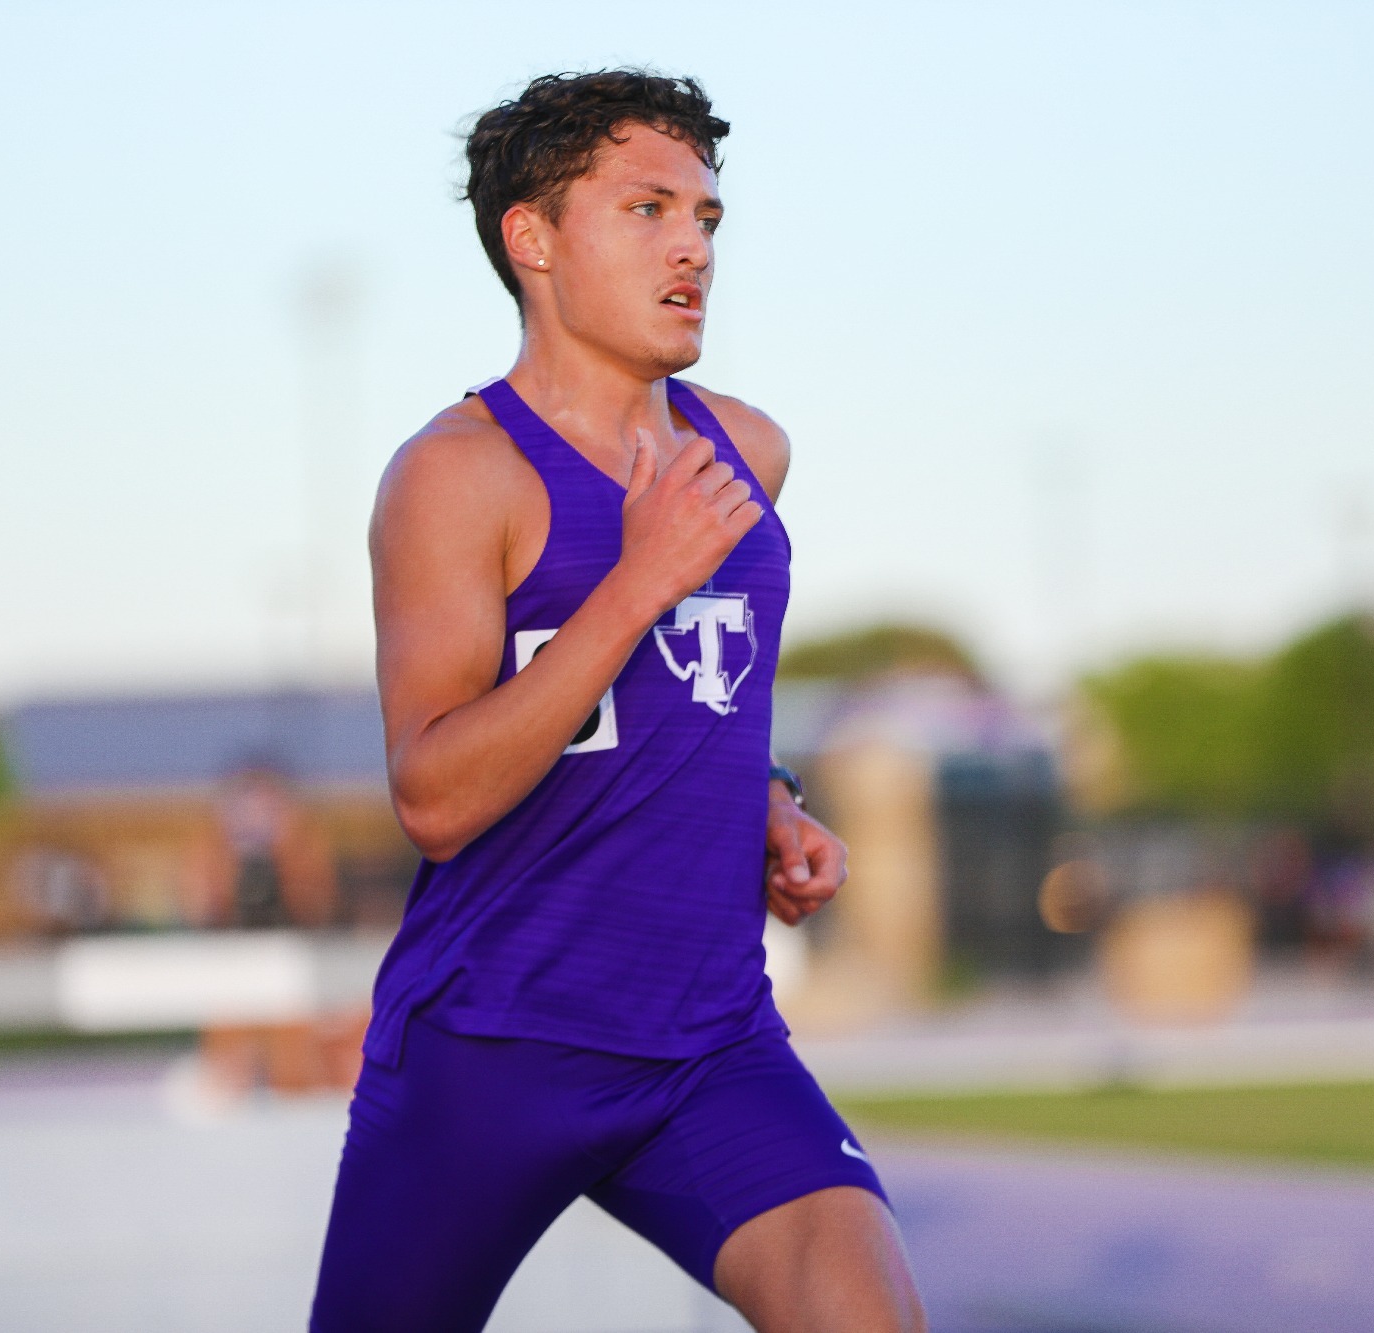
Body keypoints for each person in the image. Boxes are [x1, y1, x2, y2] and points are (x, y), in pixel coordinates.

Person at [309, 70, 926, 1332]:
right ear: (530, 240)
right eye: (646, 209)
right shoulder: (455, 478)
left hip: (708, 1041)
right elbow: (433, 794)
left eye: (704, 216)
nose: (691, 245)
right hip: (494, 1048)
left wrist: (765, 799)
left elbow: (690, 696)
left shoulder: (745, 449)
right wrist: (636, 578)